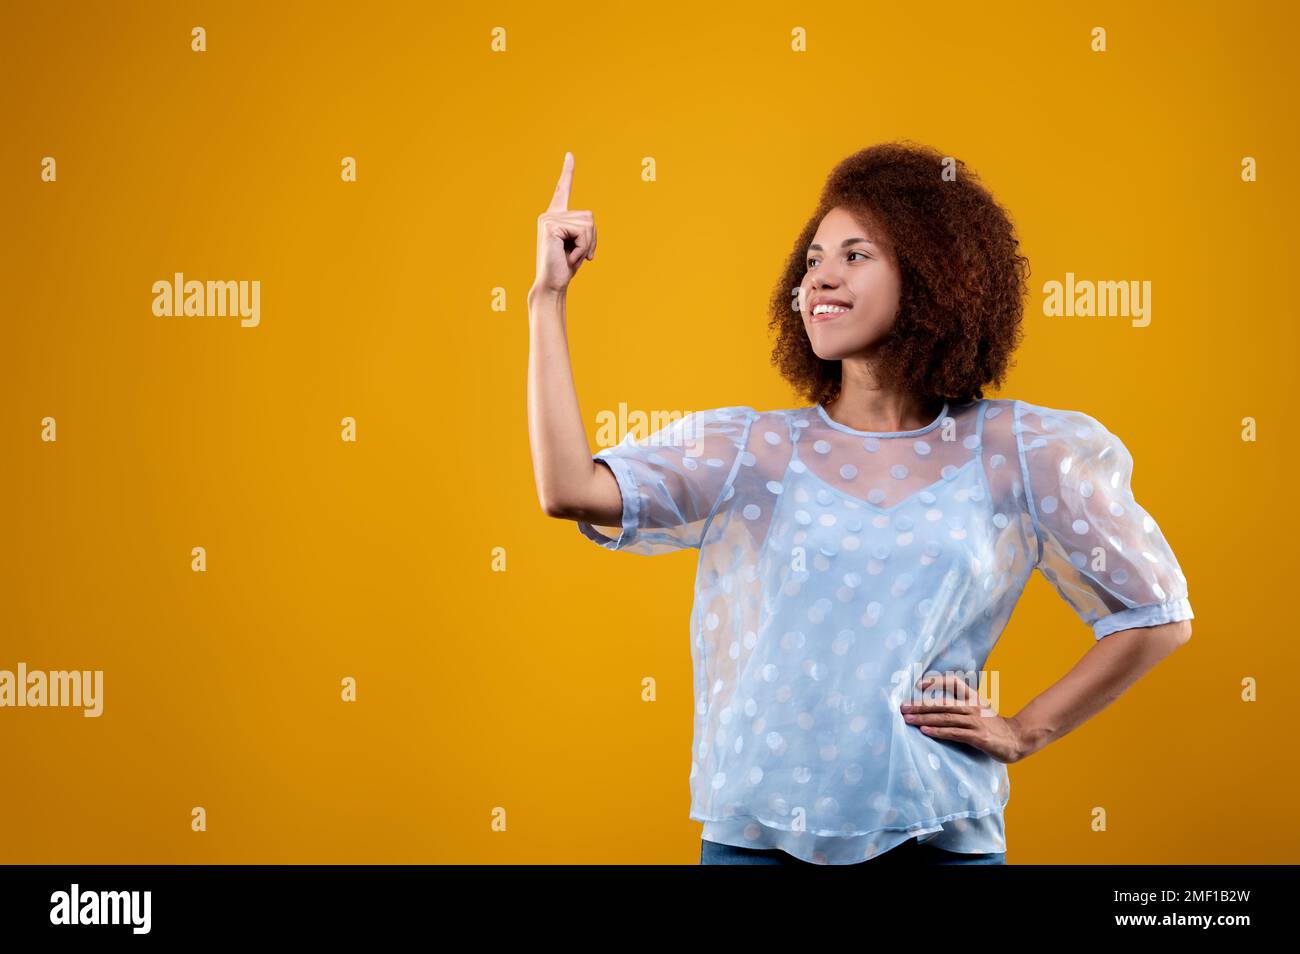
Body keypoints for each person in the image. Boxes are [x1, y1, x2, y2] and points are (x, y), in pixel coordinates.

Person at [526, 143, 1194, 866]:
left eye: (855, 255)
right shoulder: (752, 450)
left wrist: (1024, 730)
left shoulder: (1018, 450)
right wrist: (547, 298)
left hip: (939, 838)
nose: (822, 278)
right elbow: (570, 490)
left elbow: (1157, 617)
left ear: (935, 277)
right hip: (758, 843)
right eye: (813, 260)